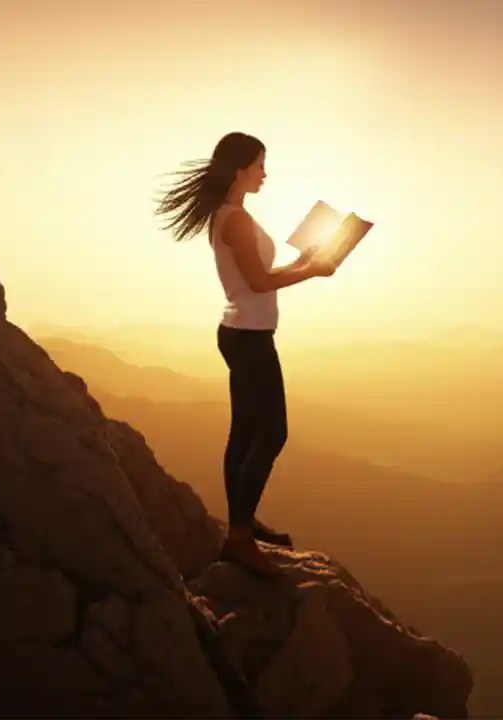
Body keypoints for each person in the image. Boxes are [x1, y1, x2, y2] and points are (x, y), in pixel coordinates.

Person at [154, 131, 335, 580]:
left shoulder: (231, 215)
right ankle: (238, 538)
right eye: (259, 165)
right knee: (271, 433)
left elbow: (257, 275)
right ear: (239, 169)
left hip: (240, 331)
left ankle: (242, 522)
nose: (264, 174)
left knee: (245, 431)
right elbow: (256, 283)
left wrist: (303, 263)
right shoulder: (234, 219)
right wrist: (311, 271)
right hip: (250, 338)